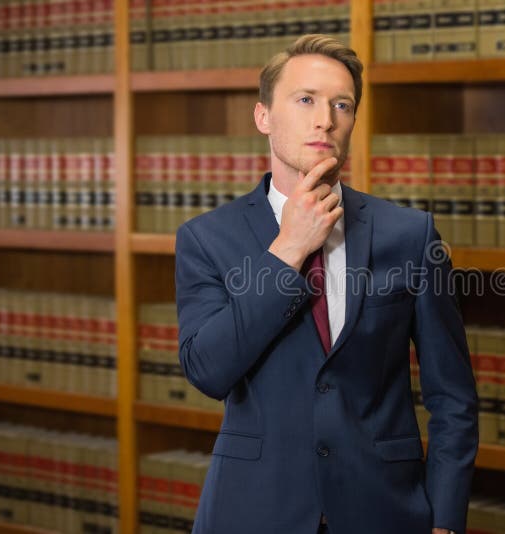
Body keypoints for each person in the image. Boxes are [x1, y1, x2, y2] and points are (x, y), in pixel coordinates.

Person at [175, 34, 478, 534]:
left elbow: (453, 397)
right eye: (306, 100)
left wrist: (444, 519)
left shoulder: (410, 235)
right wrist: (288, 250)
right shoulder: (206, 239)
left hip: (384, 510)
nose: (326, 119)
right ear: (263, 117)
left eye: (342, 104)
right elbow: (208, 370)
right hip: (252, 511)